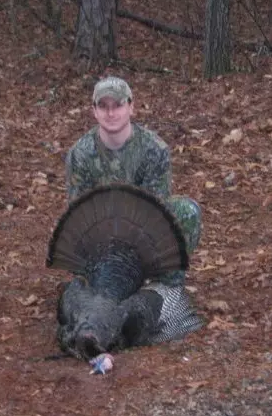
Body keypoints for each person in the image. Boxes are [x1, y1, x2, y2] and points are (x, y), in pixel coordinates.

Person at [65, 76, 202, 287]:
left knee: (186, 212)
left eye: (118, 105)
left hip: (142, 237)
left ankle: (166, 286)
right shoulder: (80, 154)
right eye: (103, 106)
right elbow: (79, 215)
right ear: (94, 111)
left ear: (131, 107)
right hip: (102, 241)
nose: (111, 113)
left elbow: (155, 212)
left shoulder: (154, 149)